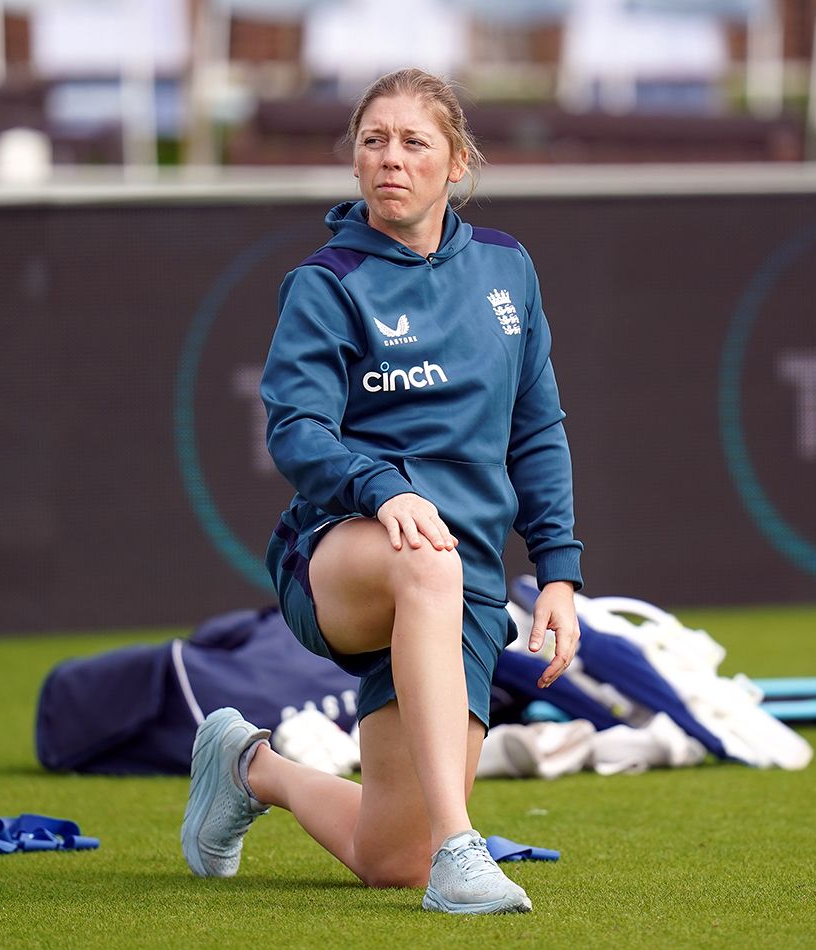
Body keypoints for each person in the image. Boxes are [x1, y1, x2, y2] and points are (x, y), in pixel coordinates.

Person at [181, 67, 584, 915]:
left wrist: (555, 575)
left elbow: (536, 430)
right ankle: (464, 850)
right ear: (355, 162)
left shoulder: (510, 271)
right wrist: (381, 488)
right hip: (342, 555)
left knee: (390, 856)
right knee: (426, 561)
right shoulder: (327, 283)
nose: (390, 159)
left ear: (458, 164)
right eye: (374, 141)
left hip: (463, 580)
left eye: (413, 142)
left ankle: (248, 767)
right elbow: (295, 429)